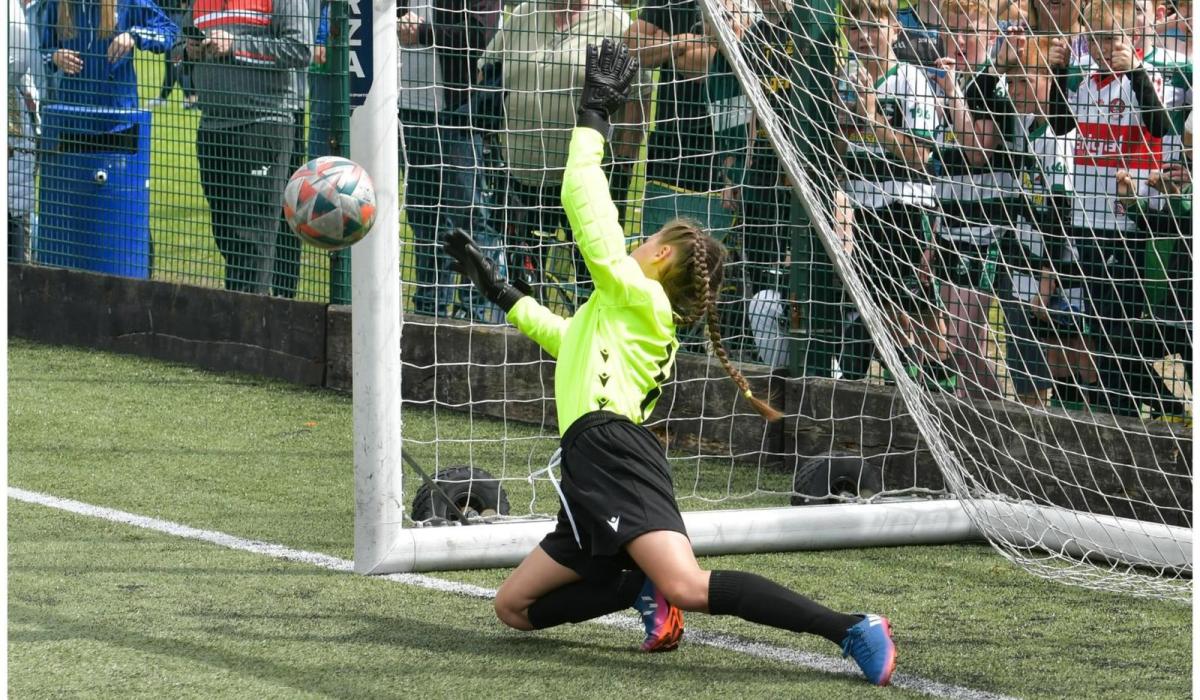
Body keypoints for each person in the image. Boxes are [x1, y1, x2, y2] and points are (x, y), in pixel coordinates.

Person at [444, 39, 897, 686]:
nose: (636, 243)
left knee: (687, 584)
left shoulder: (636, 296)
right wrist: (501, 294)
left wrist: (596, 113)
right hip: (590, 461)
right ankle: (638, 586)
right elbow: (568, 340)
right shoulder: (625, 312)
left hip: (612, 452)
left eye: (647, 238)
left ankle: (851, 627)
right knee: (513, 608)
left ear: (659, 257)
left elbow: (580, 193)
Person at [1046, 0, 1190, 415]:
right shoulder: (1084, 76)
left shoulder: (1158, 72)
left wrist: (1136, 71)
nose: (1102, 48)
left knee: (1124, 328)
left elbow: (1161, 126)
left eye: (1111, 38)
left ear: (1131, 35)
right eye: (1093, 39)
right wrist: (1057, 74)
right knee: (1102, 328)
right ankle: (1149, 407)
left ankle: (1147, 408)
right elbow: (1060, 124)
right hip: (1088, 218)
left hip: (1135, 221)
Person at [478, 0, 640, 299]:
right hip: (519, 176)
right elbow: (487, 70)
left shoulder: (615, 22)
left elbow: (636, 101)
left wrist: (623, 166)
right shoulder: (525, 12)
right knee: (521, 285)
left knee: (593, 283)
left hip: (585, 184)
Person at [839, 0, 951, 389]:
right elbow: (838, 150)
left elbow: (920, 155)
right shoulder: (845, 80)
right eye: (855, 28)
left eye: (874, 26)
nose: (864, 36)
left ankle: (941, 384)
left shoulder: (910, 80)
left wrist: (873, 119)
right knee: (883, 306)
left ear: (895, 30)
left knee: (920, 306)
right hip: (862, 208)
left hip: (906, 207)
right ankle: (901, 383)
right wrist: (846, 124)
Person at [178, 0, 312, 294]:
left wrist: (235, 45)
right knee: (227, 234)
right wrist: (189, 51)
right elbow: (178, 48)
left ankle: (251, 315)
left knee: (253, 235)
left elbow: (301, 50)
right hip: (212, 126)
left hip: (263, 123)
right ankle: (240, 310)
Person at [398, 0, 502, 320]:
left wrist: (423, 32)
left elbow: (481, 35)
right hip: (406, 112)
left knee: (469, 218)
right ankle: (429, 310)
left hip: (456, 115)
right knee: (424, 220)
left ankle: (474, 313)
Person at [40, 0, 177, 115]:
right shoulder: (57, 3)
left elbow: (169, 32)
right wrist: (54, 56)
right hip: (73, 116)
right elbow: (44, 50)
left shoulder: (126, 2)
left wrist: (133, 35)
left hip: (119, 116)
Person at [147, 0, 195, 109]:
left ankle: (191, 96)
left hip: (176, 13)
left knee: (176, 60)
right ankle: (163, 96)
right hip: (170, 12)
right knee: (170, 62)